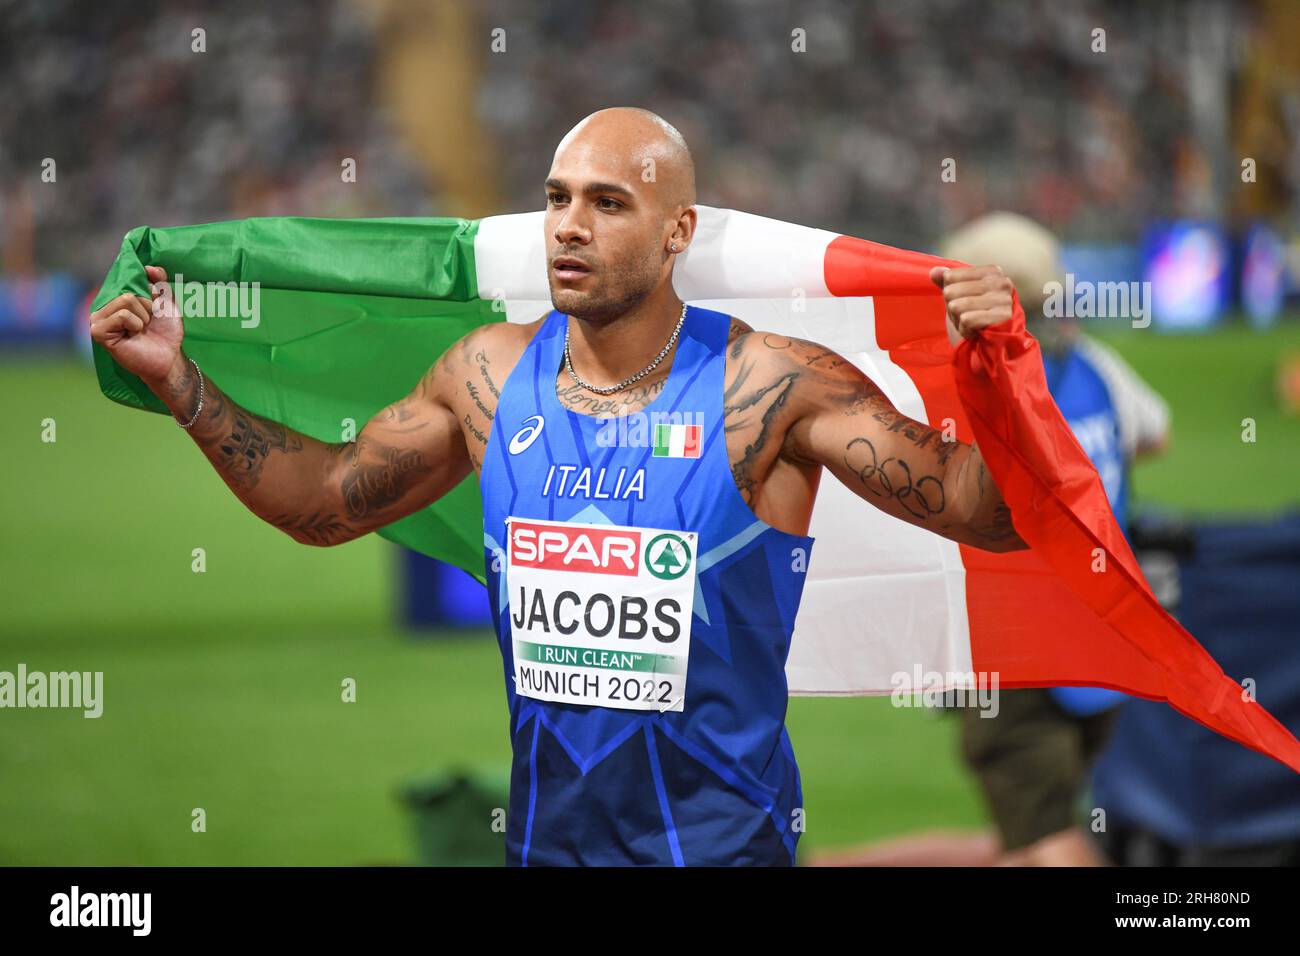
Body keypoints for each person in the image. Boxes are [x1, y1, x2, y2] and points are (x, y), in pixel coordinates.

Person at [89, 107, 1028, 866]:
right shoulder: (485, 378)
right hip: (545, 851)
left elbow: (981, 513)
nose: (569, 224)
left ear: (677, 234)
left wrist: (995, 375)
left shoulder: (767, 386)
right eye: (556, 197)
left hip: (721, 853)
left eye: (608, 203)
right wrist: (179, 380)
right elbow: (327, 502)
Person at [943, 212, 1171, 867]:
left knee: (1040, 840)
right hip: (1111, 636)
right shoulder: (1097, 365)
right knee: (1069, 818)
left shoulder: (976, 385)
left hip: (1020, 653)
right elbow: (1155, 434)